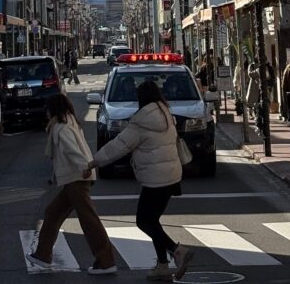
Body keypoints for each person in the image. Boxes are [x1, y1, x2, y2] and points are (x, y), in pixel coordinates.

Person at [86, 81, 194, 282]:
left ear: (141, 99)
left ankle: (176, 250)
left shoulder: (140, 122)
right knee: (153, 221)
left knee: (144, 221)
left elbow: (118, 146)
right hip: (172, 176)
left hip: (155, 179)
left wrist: (94, 162)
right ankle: (162, 265)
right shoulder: (166, 115)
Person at [25, 94, 116, 275]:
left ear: (53, 109)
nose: (46, 112)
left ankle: (106, 261)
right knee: (53, 212)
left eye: (48, 109)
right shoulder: (70, 122)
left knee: (88, 219)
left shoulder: (60, 128)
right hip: (74, 177)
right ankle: (42, 256)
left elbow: (72, 151)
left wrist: (84, 167)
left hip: (77, 177)